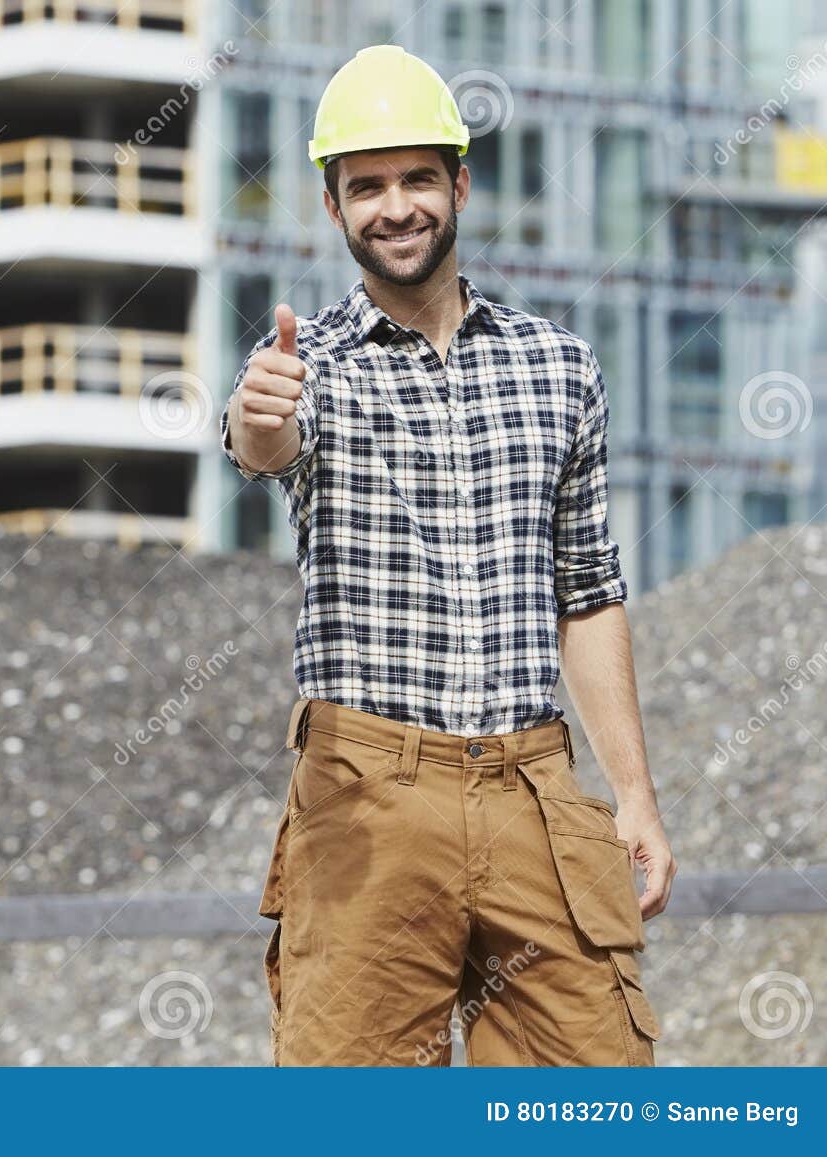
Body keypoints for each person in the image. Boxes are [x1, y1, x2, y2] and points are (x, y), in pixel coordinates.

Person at [221, 44, 675, 1066]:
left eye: (417, 178)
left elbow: (589, 593)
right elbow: (262, 444)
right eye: (366, 186)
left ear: (458, 185)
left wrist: (634, 793)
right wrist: (261, 419)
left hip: (535, 795)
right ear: (332, 209)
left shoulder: (557, 366)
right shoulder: (305, 370)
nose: (395, 207)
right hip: (366, 799)